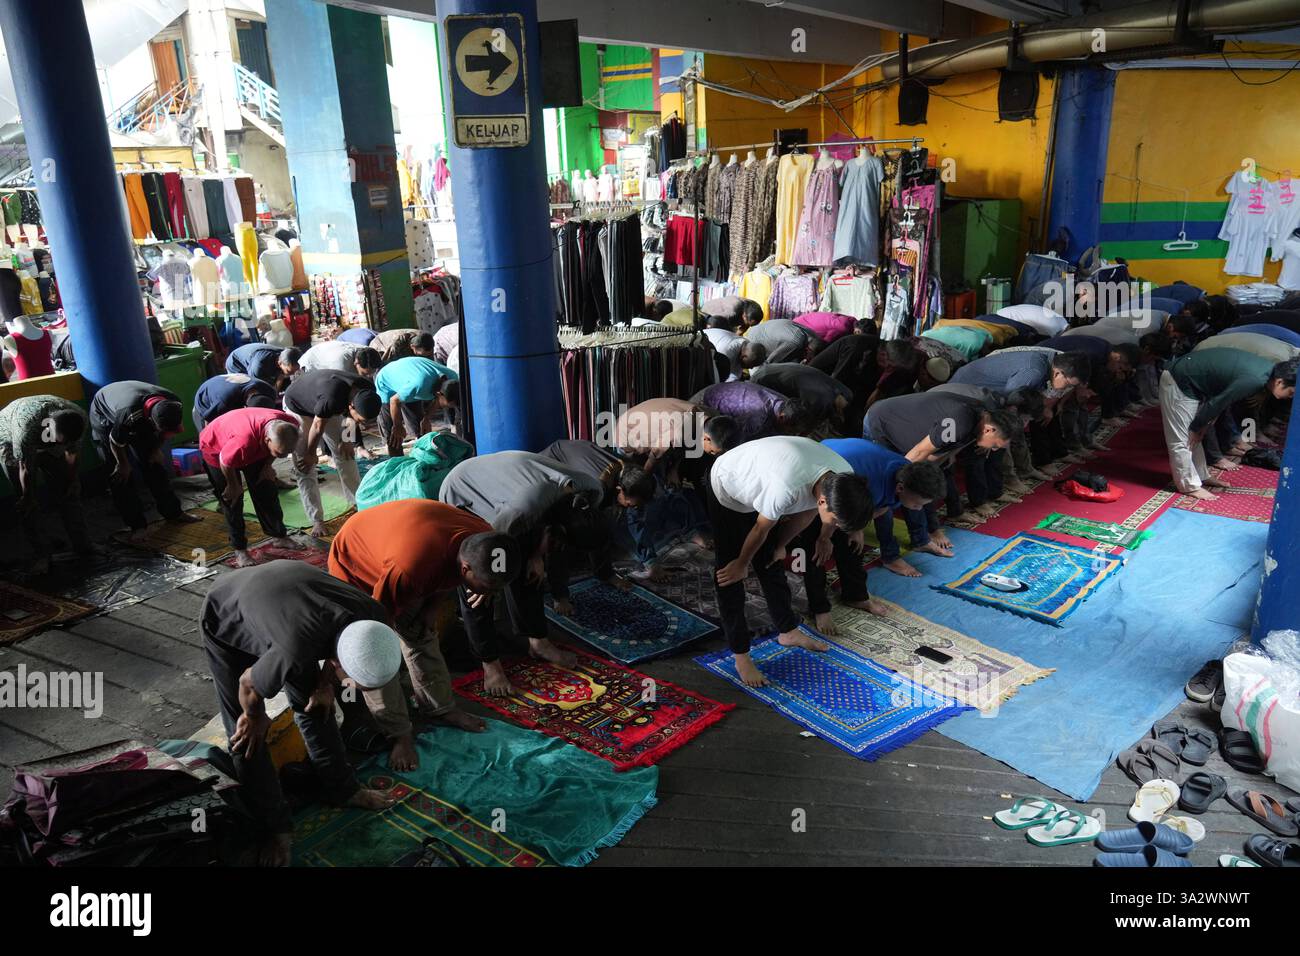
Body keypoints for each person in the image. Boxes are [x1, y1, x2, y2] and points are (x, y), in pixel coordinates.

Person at [200, 561, 403, 865]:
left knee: (317, 706)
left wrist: (324, 686)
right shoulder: (295, 648)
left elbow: (334, 653)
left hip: (288, 604)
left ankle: (343, 789)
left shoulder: (374, 619)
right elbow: (248, 683)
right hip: (226, 613)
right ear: (337, 662)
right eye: (350, 680)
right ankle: (275, 827)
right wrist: (256, 717)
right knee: (246, 737)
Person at [328, 500, 522, 769]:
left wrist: (432, 606)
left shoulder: (483, 538)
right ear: (466, 569)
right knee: (375, 656)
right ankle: (398, 732)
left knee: (422, 632)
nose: (492, 592)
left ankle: (439, 709)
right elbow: (376, 632)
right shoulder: (410, 567)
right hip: (355, 562)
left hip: (406, 548)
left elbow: (447, 566)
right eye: (489, 586)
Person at [707, 435, 874, 687]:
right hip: (728, 484)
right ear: (823, 501)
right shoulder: (784, 489)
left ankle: (788, 631)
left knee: (772, 559)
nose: (836, 527)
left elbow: (807, 515)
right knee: (729, 575)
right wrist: (742, 563)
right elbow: (759, 531)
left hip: (768, 475)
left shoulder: (844, 479)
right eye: (836, 522)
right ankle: (740, 655)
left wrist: (784, 545)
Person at [439, 451, 602, 694]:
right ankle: (490, 665)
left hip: (514, 493)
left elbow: (543, 528)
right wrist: (488, 583)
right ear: (552, 529)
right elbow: (489, 547)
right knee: (478, 587)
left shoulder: (592, 492)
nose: (554, 552)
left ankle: (537, 641)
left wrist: (536, 555)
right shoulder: (523, 510)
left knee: (530, 570)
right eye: (555, 544)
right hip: (465, 490)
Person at [865, 391, 1020, 557]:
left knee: (935, 474)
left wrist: (945, 458)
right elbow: (918, 455)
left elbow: (949, 450)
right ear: (989, 430)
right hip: (882, 424)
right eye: (995, 445)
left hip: (913, 432)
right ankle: (891, 555)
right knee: (898, 489)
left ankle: (922, 538)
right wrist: (902, 483)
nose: (993, 450)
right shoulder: (959, 422)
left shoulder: (982, 417)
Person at [1161, 352, 1296, 499]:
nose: (1291, 397)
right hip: (1180, 380)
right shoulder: (1254, 380)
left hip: (1199, 385)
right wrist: (1196, 427)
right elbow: (1218, 402)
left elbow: (1221, 402)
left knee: (1196, 436)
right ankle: (1188, 486)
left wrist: (1203, 426)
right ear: (1279, 382)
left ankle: (1201, 475)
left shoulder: (1266, 373)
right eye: (1291, 392)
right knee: (1183, 439)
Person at [822, 438, 949, 578]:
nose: (919, 509)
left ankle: (919, 543)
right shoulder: (872, 488)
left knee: (890, 506)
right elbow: (843, 515)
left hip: (844, 449)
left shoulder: (907, 468)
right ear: (900, 487)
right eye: (917, 504)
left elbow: (885, 507)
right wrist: (856, 529)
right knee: (854, 529)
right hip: (824, 459)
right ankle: (890, 559)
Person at [89, 380, 198, 540]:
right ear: (152, 422)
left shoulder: (173, 404)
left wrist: (155, 450)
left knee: (154, 465)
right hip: (106, 418)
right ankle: (137, 525)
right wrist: (123, 464)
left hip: (140, 411)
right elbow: (115, 440)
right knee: (120, 476)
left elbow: (166, 433)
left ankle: (174, 513)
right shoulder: (130, 413)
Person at [282, 369, 382, 537]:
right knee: (305, 465)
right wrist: (311, 453)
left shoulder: (366, 390)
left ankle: (358, 503)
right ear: (351, 406)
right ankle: (316, 520)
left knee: (346, 454)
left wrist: (347, 439)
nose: (362, 425)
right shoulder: (332, 399)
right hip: (299, 405)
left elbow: (351, 417)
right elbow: (317, 426)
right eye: (361, 420)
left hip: (326, 402)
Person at [198, 406, 302, 567]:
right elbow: (225, 461)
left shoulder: (291, 424)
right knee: (233, 500)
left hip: (251, 442)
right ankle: (240, 550)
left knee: (266, 489)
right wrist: (233, 485)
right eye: (279, 454)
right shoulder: (243, 441)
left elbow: (277, 451)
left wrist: (268, 466)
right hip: (216, 448)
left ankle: (279, 536)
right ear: (267, 440)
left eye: (286, 453)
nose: (284, 457)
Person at [0, 395, 91, 572]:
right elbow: (25, 467)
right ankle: (42, 553)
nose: (62, 444)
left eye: (64, 443)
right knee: (26, 503)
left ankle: (84, 545)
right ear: (49, 428)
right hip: (10, 441)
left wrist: (72, 480)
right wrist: (28, 495)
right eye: (59, 441)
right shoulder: (25, 424)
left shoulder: (79, 417)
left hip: (48, 437)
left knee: (69, 490)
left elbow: (72, 455)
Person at [373, 355, 459, 455]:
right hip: (386, 380)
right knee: (394, 435)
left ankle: (423, 455)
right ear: (439, 394)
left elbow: (438, 399)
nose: (447, 408)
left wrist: (427, 418)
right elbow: (394, 401)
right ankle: (397, 461)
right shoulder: (419, 385)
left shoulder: (453, 378)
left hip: (410, 376)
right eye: (447, 405)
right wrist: (398, 425)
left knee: (420, 427)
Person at [692, 381, 810, 445]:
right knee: (693, 447)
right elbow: (735, 443)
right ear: (782, 417)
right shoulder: (758, 419)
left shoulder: (784, 403)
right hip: (704, 404)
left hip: (719, 390)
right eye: (790, 430)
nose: (790, 433)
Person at [749, 361, 853, 427]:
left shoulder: (847, 393)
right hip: (764, 379)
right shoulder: (821, 400)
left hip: (773, 369)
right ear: (840, 412)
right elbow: (806, 422)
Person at [192, 372, 279, 430]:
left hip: (227, 388)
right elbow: (209, 423)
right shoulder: (225, 401)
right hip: (206, 400)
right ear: (245, 407)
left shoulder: (270, 391)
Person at [703, 315, 767, 380]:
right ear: (743, 357)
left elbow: (735, 374)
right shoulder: (726, 352)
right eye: (751, 365)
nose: (751, 368)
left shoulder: (746, 344)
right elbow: (715, 376)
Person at [744, 318, 826, 364]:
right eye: (811, 357)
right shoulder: (795, 342)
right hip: (754, 341)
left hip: (758, 329)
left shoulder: (812, 335)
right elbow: (771, 362)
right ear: (809, 351)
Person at [226, 342, 300, 388]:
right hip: (235, 363)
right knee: (246, 388)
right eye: (289, 371)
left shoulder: (286, 354)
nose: (293, 374)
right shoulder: (259, 366)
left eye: (295, 371)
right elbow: (254, 386)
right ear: (280, 363)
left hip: (253, 356)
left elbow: (280, 376)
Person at [298, 341, 382, 378]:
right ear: (356, 363)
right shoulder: (341, 366)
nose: (369, 376)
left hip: (327, 352)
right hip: (310, 364)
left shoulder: (368, 351)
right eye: (365, 374)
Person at [370, 328, 435, 363]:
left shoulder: (427, 341)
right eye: (420, 354)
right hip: (380, 344)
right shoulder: (398, 344)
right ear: (412, 347)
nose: (424, 357)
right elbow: (386, 362)